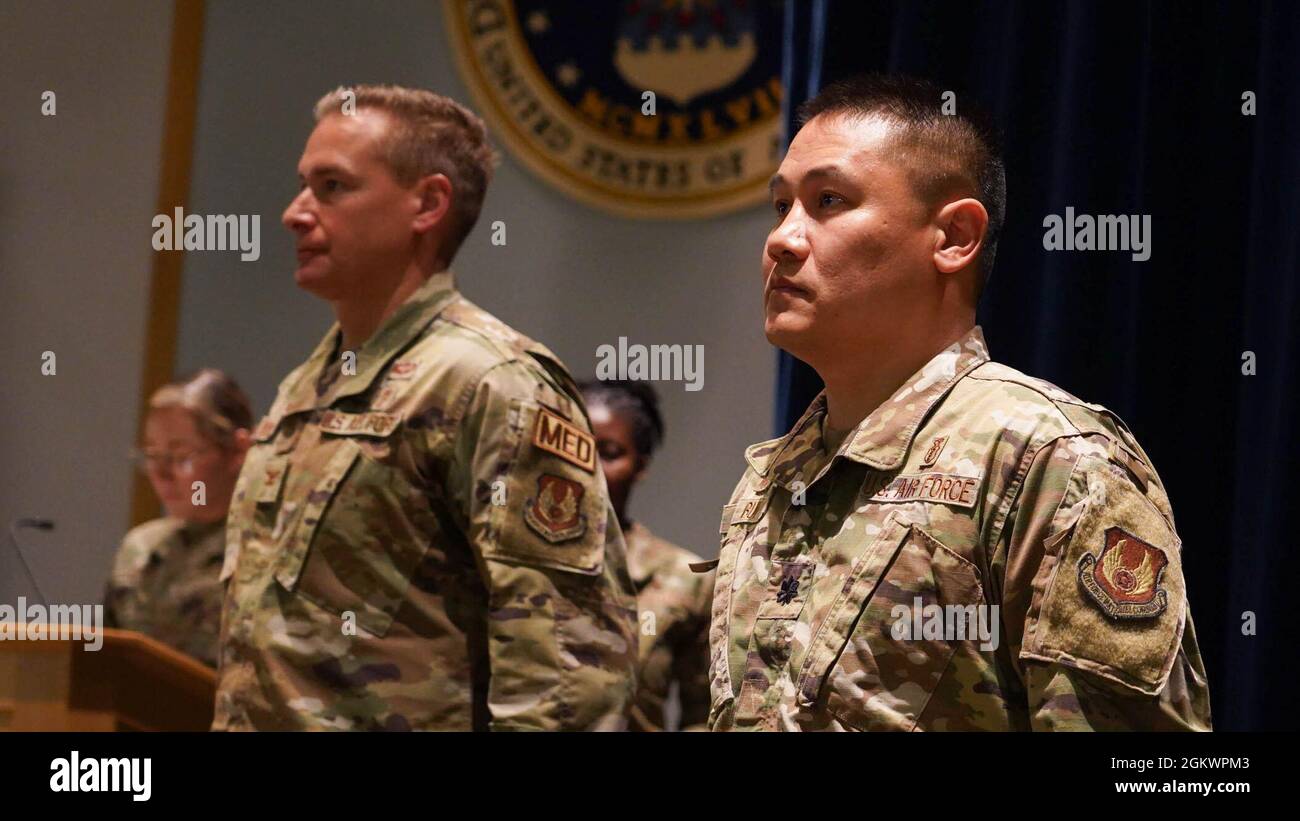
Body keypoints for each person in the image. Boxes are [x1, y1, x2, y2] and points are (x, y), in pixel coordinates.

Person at [707, 74, 1211, 731]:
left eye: (828, 200)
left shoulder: (1049, 458)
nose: (782, 240)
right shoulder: (769, 481)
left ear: (953, 237)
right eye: (780, 207)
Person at [212, 84, 637, 731]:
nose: (294, 213)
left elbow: (568, 668)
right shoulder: (307, 383)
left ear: (428, 203)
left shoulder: (493, 382)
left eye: (332, 186)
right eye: (303, 184)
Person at [580, 380, 712, 731]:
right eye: (576, 448)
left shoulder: (685, 580)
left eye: (608, 453)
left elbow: (704, 715)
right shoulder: (509, 562)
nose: (588, 468)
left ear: (640, 466)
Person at [105, 369, 252, 668]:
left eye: (180, 456)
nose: (160, 475)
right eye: (152, 456)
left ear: (238, 451)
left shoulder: (266, 547)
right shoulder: (140, 548)